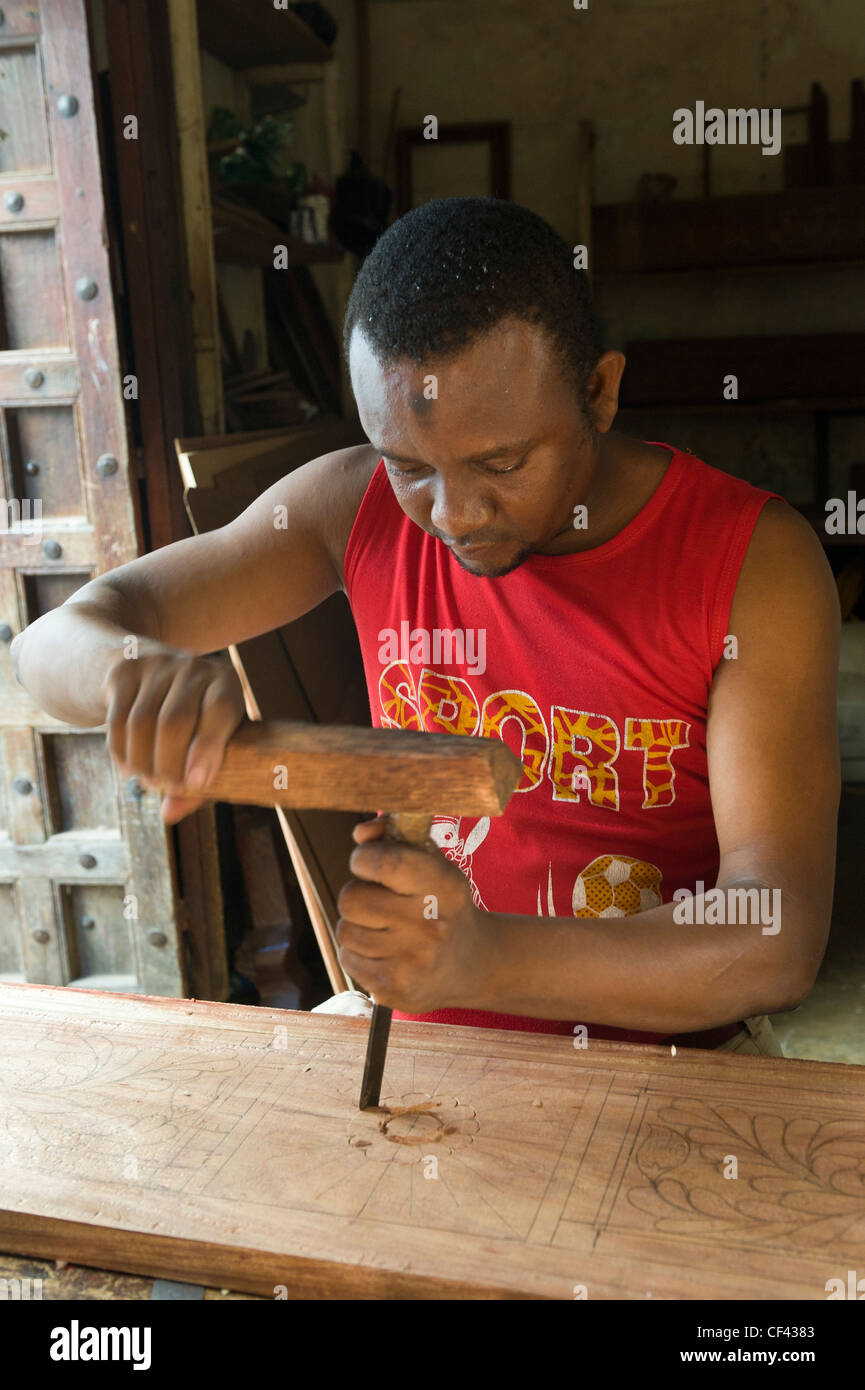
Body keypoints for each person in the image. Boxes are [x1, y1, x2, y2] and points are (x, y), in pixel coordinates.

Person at [12, 198, 840, 1056]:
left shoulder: (750, 564)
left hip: (668, 1060)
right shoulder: (350, 507)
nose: (452, 514)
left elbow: (772, 938)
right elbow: (50, 641)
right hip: (420, 1042)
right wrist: (132, 675)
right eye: (409, 464)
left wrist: (485, 961)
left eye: (503, 463)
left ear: (599, 392)